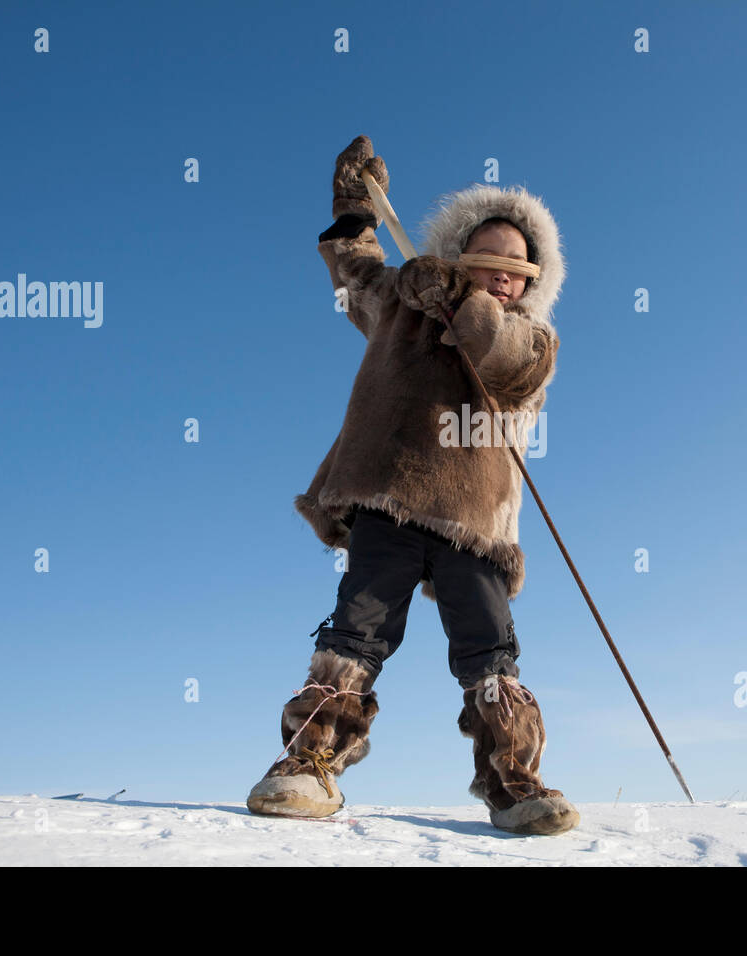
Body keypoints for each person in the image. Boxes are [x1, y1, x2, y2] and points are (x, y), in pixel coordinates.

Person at [246, 135, 577, 836]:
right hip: (388, 492)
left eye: (513, 270)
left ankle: (511, 780)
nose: (499, 278)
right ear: (459, 257)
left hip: (475, 515)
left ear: (530, 280)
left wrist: (462, 299)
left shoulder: (532, 340)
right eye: (481, 263)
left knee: (489, 645)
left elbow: (503, 359)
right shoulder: (405, 303)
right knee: (356, 629)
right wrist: (352, 212)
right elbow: (355, 278)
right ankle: (308, 762)